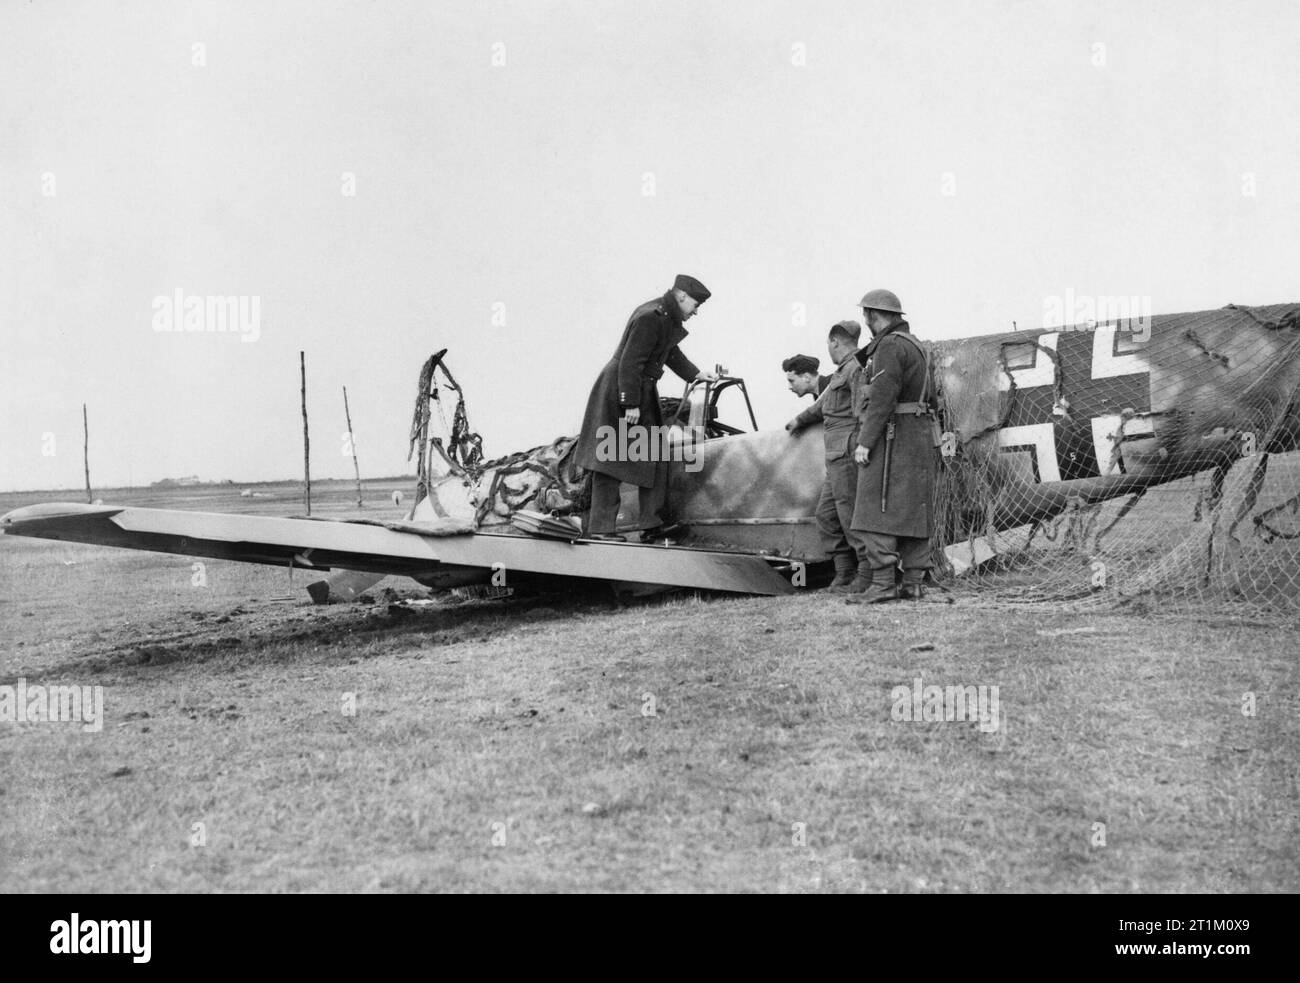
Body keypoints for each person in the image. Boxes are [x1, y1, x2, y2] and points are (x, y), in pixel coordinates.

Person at [573, 275, 717, 541]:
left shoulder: (664, 317)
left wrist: (696, 375)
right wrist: (630, 403)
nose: (696, 311)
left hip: (641, 387)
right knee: (610, 457)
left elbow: (670, 353)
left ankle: (651, 524)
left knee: (655, 454)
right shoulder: (650, 316)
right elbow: (631, 360)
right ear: (681, 296)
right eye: (695, 305)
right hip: (621, 389)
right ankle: (602, 530)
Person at [844, 290, 940, 604]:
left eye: (866, 316)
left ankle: (883, 584)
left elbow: (883, 396)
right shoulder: (919, 347)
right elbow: (933, 399)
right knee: (913, 510)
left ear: (874, 315)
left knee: (873, 509)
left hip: (893, 437)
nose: (866, 322)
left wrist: (865, 441)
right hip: (920, 437)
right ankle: (913, 583)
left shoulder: (888, 346)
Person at [786, 320, 866, 591]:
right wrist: (799, 420)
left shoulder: (855, 369)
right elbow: (822, 408)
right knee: (827, 515)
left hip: (847, 452)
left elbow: (863, 412)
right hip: (835, 456)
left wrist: (862, 446)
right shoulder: (842, 371)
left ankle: (865, 573)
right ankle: (844, 571)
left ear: (834, 341)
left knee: (851, 513)